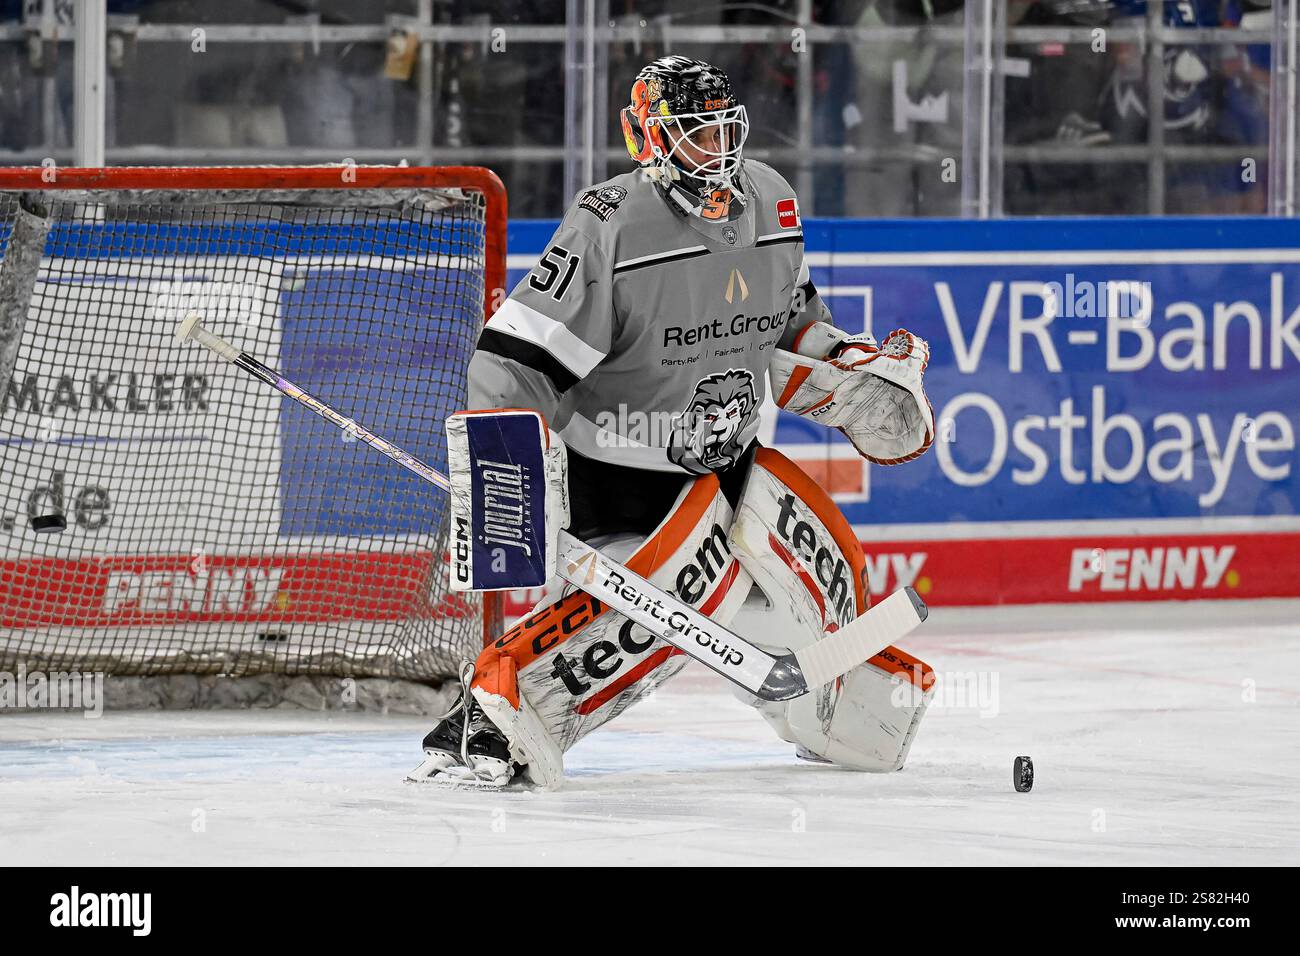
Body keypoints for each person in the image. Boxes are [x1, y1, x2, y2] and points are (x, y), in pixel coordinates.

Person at [410, 55, 937, 789]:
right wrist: (506, 466)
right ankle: (493, 719)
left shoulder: (772, 201)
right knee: (661, 615)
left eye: (725, 132)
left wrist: (846, 361)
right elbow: (517, 360)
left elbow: (791, 319)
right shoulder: (609, 224)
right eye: (695, 135)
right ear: (648, 139)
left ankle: (837, 714)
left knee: (821, 584)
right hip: (621, 484)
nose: (716, 152)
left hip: (732, 464)